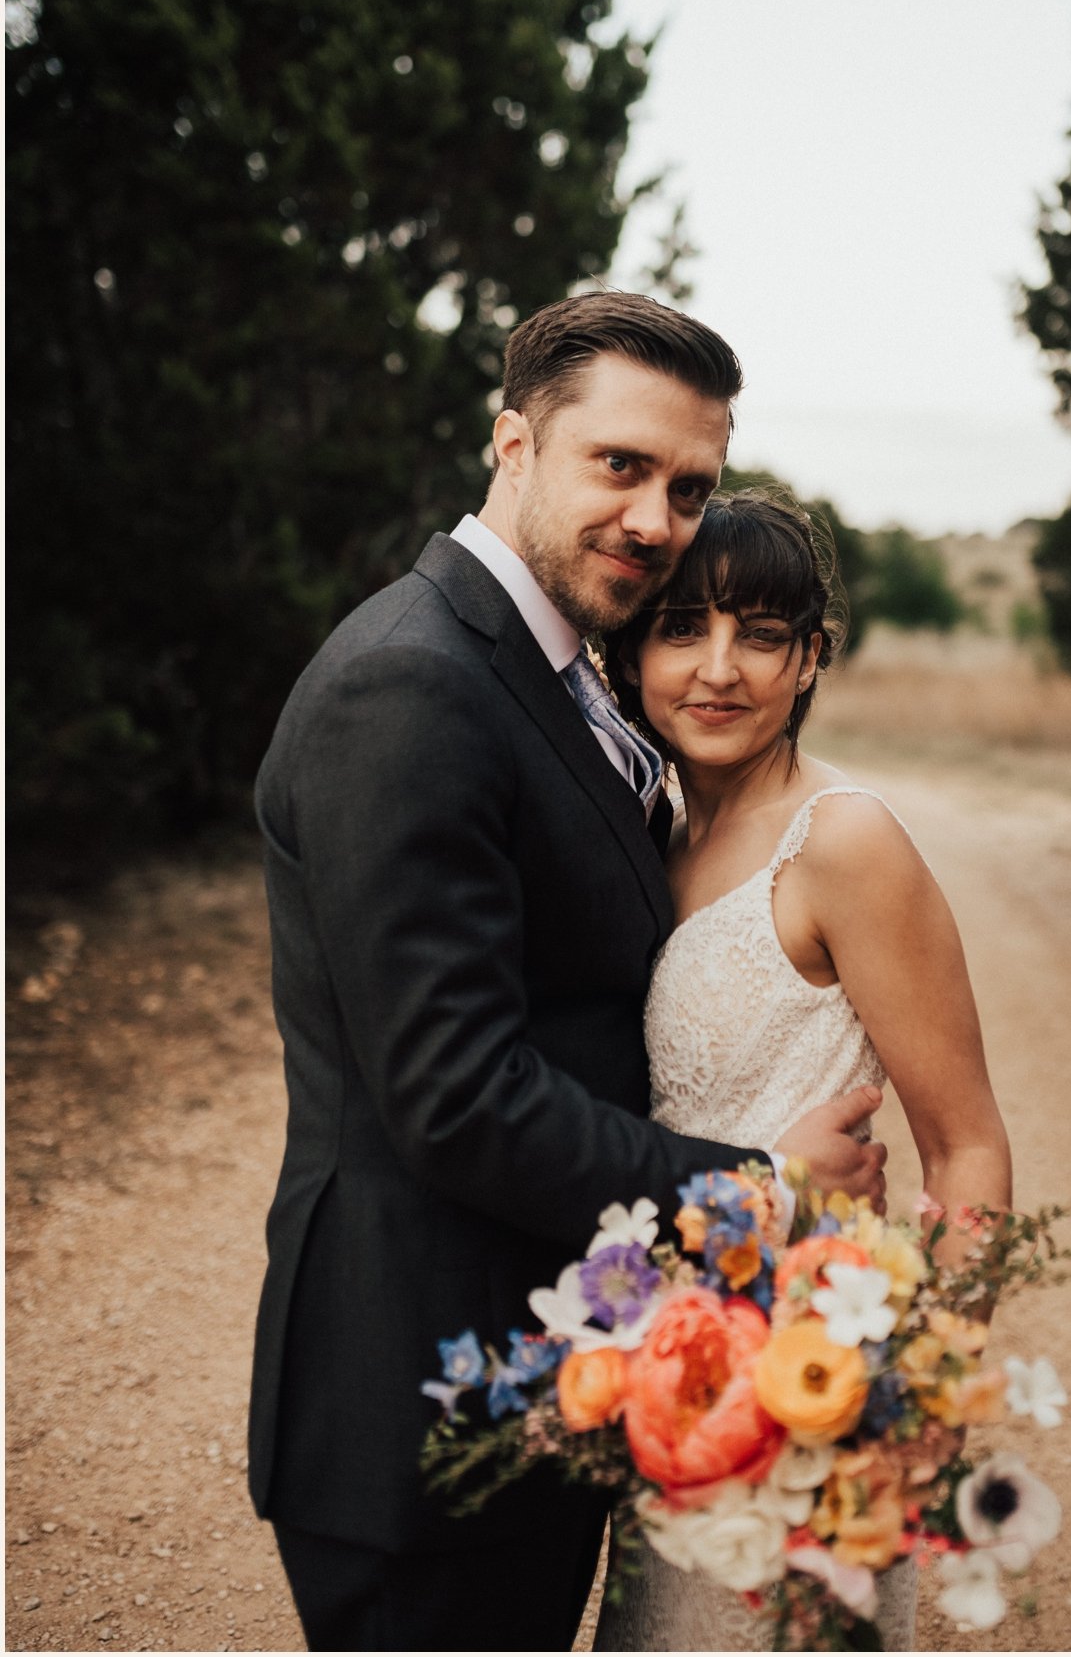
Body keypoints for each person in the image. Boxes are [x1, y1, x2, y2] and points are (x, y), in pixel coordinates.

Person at [246, 294, 888, 1653]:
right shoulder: (412, 685)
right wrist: (764, 1188)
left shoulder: (551, 675)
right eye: (621, 465)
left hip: (544, 1389)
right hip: (423, 1402)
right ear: (514, 441)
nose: (658, 518)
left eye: (690, 483)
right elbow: (458, 1095)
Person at [593, 489, 1013, 1653]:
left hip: (815, 1370)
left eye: (761, 633)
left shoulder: (843, 840)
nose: (717, 668)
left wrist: (932, 1394)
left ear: (810, 654)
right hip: (664, 1367)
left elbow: (968, 1139)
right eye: (681, 627)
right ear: (632, 649)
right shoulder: (643, 826)